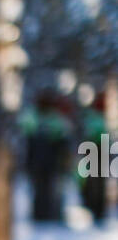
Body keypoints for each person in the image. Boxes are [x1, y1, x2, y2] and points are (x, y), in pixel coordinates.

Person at [19, 91, 72, 223]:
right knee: (41, 190)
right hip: (40, 161)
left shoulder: (52, 119)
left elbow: (63, 141)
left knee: (48, 190)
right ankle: (40, 217)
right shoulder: (34, 117)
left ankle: (48, 216)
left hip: (47, 162)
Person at [76, 93, 109, 223]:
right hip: (96, 155)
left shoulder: (92, 119)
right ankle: (96, 210)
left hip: (94, 155)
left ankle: (96, 210)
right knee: (95, 184)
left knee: (94, 184)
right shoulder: (97, 120)